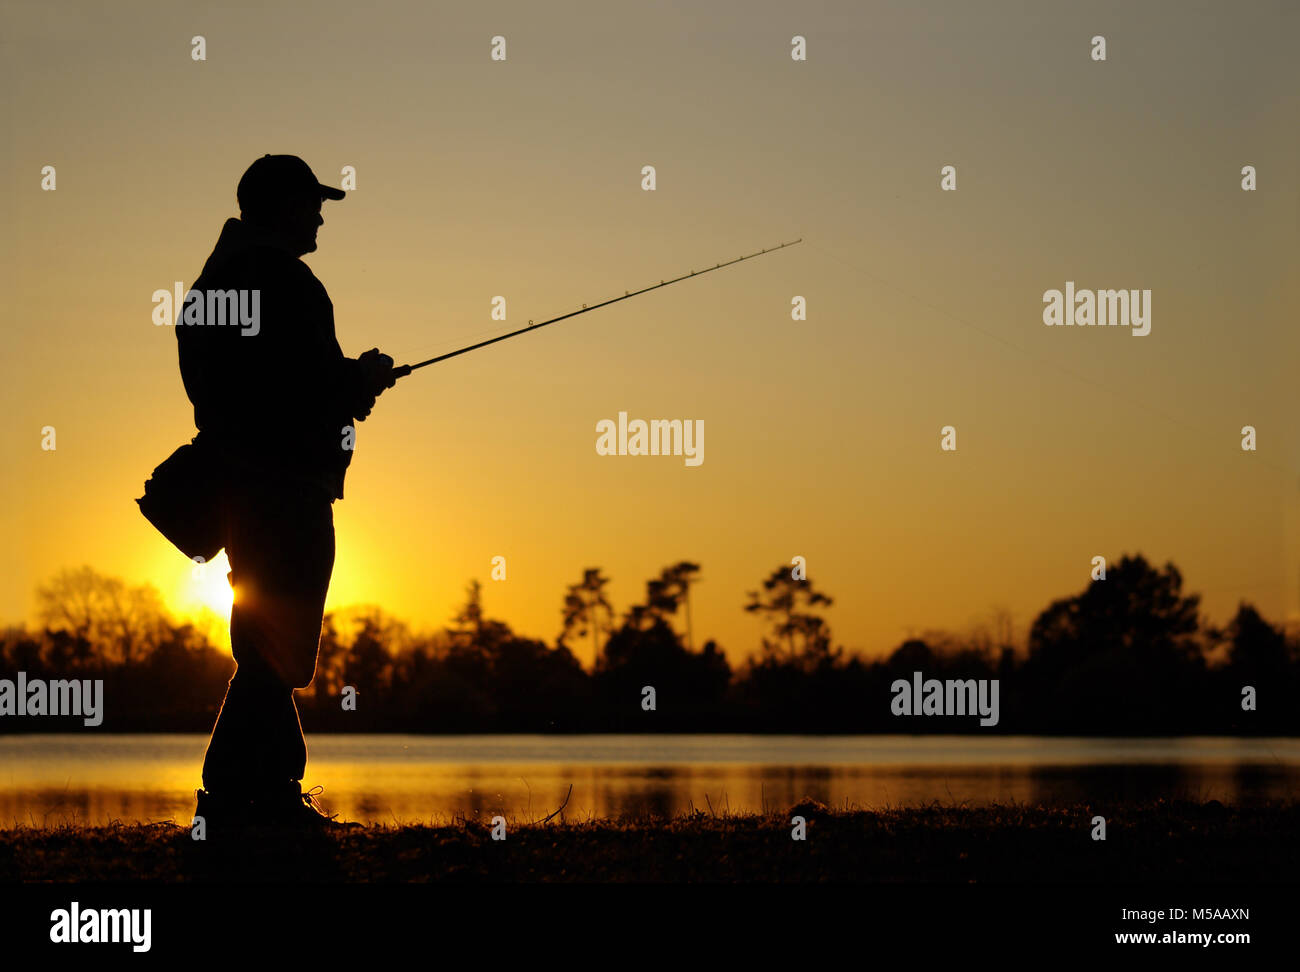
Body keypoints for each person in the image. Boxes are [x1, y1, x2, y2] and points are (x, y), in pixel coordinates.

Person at [180, 155, 395, 831]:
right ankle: (242, 796)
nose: (321, 215)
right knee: (279, 647)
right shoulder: (286, 281)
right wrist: (358, 381)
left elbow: (243, 387)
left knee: (268, 644)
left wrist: (342, 385)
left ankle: (258, 797)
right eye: (312, 203)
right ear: (282, 207)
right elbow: (301, 387)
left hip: (242, 488)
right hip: (286, 487)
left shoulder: (215, 282)